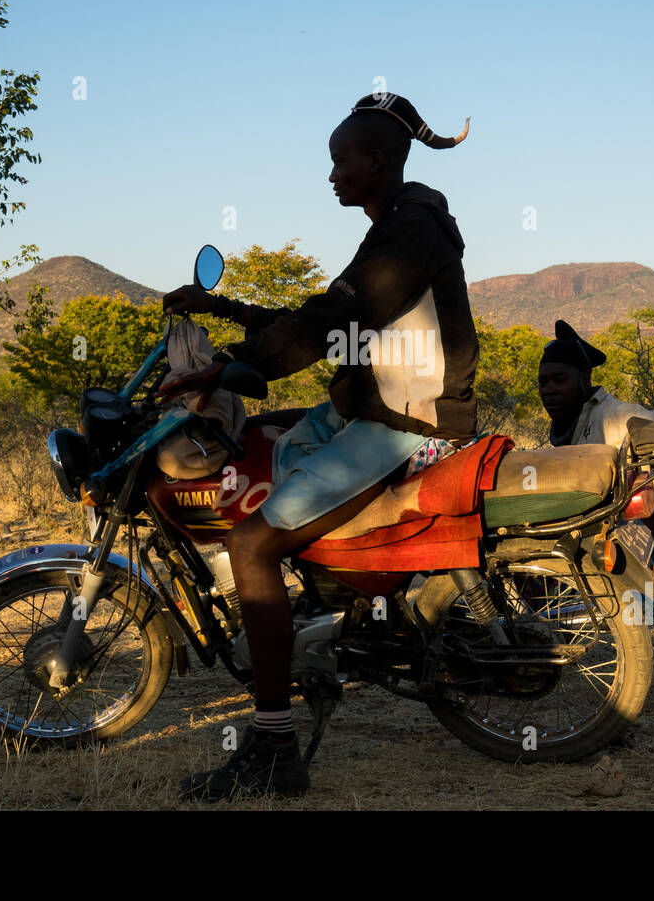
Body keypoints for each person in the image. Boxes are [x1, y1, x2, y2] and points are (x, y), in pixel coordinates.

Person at [157, 93, 478, 801]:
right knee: (261, 442)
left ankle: (275, 743)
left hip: (407, 425)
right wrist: (225, 314)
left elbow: (331, 315)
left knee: (251, 545)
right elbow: (325, 316)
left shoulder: (412, 228)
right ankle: (317, 622)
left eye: (341, 160)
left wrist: (230, 364)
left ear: (380, 159)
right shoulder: (394, 224)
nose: (331, 174)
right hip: (370, 409)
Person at [536, 320, 654, 539]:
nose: (549, 390)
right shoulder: (571, 420)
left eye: (559, 380)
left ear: (585, 381)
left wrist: (653, 519)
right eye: (543, 382)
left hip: (620, 541)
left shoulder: (614, 415)